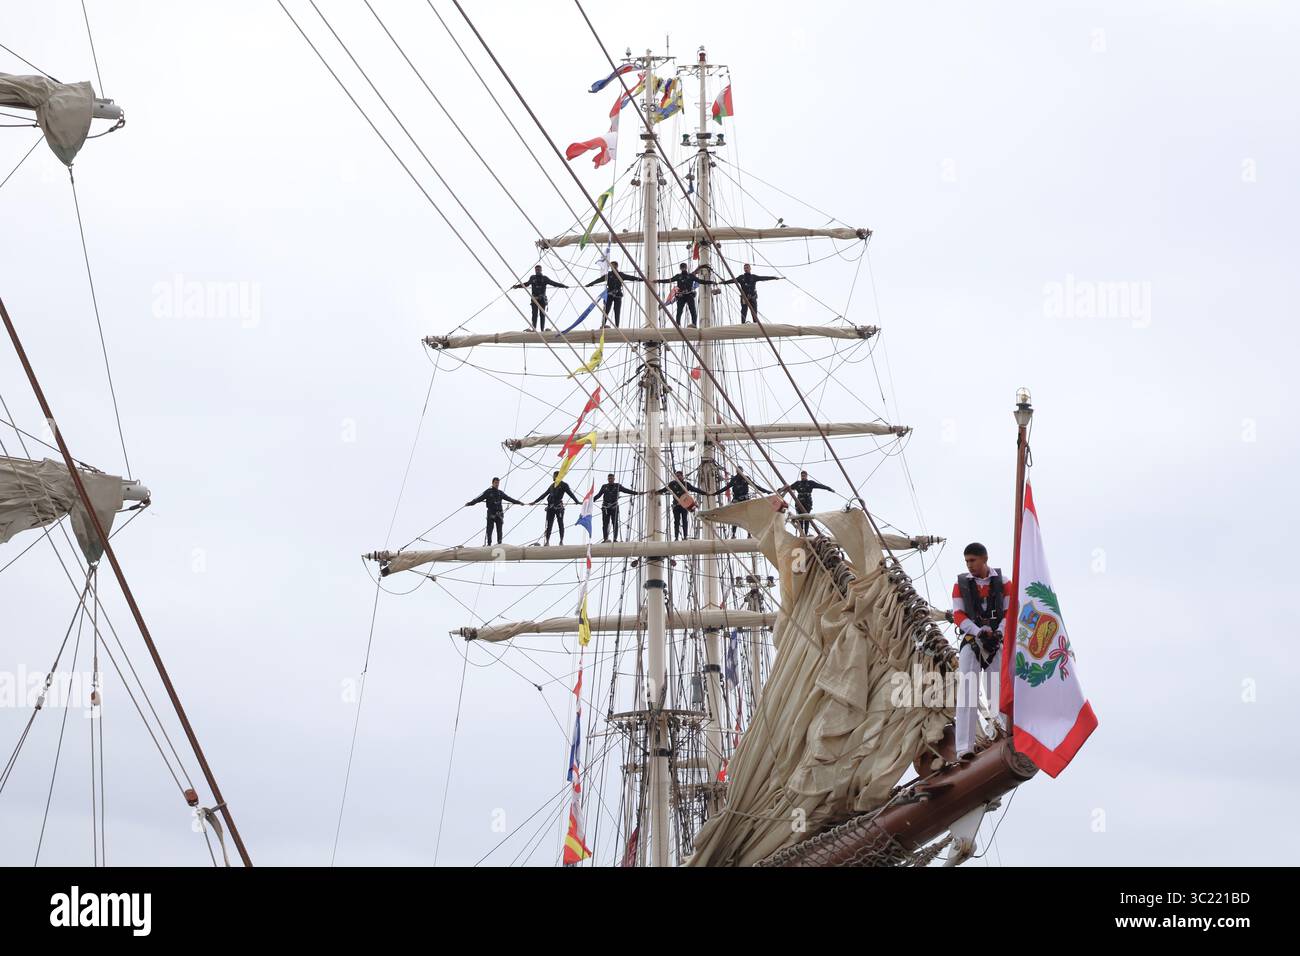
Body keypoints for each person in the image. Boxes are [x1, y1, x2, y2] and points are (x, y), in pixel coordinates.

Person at [951, 542, 1014, 761]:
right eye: (966, 561)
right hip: (972, 643)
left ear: (984, 559)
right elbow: (958, 615)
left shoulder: (1004, 583)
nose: (969, 565)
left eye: (973, 561)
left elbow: (1010, 612)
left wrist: (999, 632)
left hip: (996, 643)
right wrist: (978, 632)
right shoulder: (960, 585)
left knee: (998, 691)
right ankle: (964, 747)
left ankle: (1006, 735)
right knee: (967, 692)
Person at [465, 477, 524, 546]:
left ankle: (499, 544)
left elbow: (510, 499)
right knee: (489, 529)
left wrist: (519, 502)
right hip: (491, 513)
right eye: (496, 483)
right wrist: (470, 503)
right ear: (492, 483)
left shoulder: (500, 493)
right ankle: (489, 544)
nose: (497, 484)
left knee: (499, 530)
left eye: (498, 483)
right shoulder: (488, 492)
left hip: (499, 514)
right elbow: (479, 499)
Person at [655, 262, 716, 327]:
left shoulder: (691, 276)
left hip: (689, 295)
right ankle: (677, 324)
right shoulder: (678, 276)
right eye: (682, 267)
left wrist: (711, 282)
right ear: (680, 268)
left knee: (692, 310)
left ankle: (694, 324)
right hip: (681, 296)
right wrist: (658, 281)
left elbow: (701, 281)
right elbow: (668, 280)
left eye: (684, 267)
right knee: (679, 311)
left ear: (686, 268)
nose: (683, 268)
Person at [716, 466, 770, 538]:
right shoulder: (734, 479)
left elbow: (755, 486)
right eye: (738, 471)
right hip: (737, 500)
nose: (739, 472)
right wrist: (716, 493)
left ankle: (749, 534)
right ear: (736, 472)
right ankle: (733, 534)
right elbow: (726, 487)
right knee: (735, 517)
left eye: (740, 471)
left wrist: (767, 491)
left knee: (748, 517)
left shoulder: (746, 478)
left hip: (745, 499)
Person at [656, 469, 709, 541]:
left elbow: (695, 489)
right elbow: (665, 489)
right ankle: (676, 537)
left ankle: (685, 536)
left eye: (679, 476)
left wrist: (704, 493)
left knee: (684, 520)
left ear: (682, 476)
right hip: (676, 505)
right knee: (676, 521)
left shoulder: (686, 484)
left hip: (684, 505)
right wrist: (657, 492)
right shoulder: (672, 484)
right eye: (676, 476)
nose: (678, 477)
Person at [585, 260, 640, 328]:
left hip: (618, 295)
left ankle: (617, 326)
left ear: (616, 266)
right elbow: (599, 280)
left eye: (613, 265)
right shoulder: (608, 275)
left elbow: (631, 278)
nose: (612, 267)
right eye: (611, 265)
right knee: (606, 310)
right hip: (609, 295)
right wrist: (591, 284)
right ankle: (603, 324)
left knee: (617, 310)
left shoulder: (621, 275)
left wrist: (641, 279)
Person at [530, 471, 580, 545]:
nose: (552, 477)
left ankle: (561, 540)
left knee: (560, 523)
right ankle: (547, 541)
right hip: (551, 507)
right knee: (549, 525)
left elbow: (570, 494)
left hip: (558, 507)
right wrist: (535, 502)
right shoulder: (552, 486)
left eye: (553, 476)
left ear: (557, 476)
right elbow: (544, 495)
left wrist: (576, 501)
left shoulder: (564, 485)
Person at [512, 266, 567, 331]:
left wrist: (563, 286)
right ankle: (534, 329)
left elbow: (553, 283)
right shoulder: (532, 278)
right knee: (534, 314)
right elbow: (526, 284)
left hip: (542, 299)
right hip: (534, 299)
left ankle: (542, 330)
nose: (537, 271)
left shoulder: (544, 278)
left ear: (541, 270)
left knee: (542, 314)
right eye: (536, 270)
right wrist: (517, 286)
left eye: (538, 269)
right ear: (535, 270)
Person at [597, 473, 640, 542]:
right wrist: (589, 501)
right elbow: (598, 495)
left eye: (611, 478)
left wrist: (637, 493)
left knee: (615, 523)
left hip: (614, 507)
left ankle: (615, 539)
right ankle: (605, 539)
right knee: (605, 524)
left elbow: (626, 491)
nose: (610, 480)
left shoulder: (617, 486)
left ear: (614, 479)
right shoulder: (604, 486)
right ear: (608, 479)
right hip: (605, 508)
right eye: (609, 479)